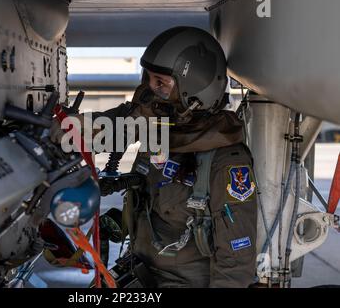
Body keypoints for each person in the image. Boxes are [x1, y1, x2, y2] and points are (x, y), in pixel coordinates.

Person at [52, 26, 258, 288]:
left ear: (193, 91)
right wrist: (72, 128)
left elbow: (236, 264)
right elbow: (113, 127)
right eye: (147, 78)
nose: (149, 90)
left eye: (160, 83)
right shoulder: (159, 127)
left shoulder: (225, 161)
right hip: (141, 272)